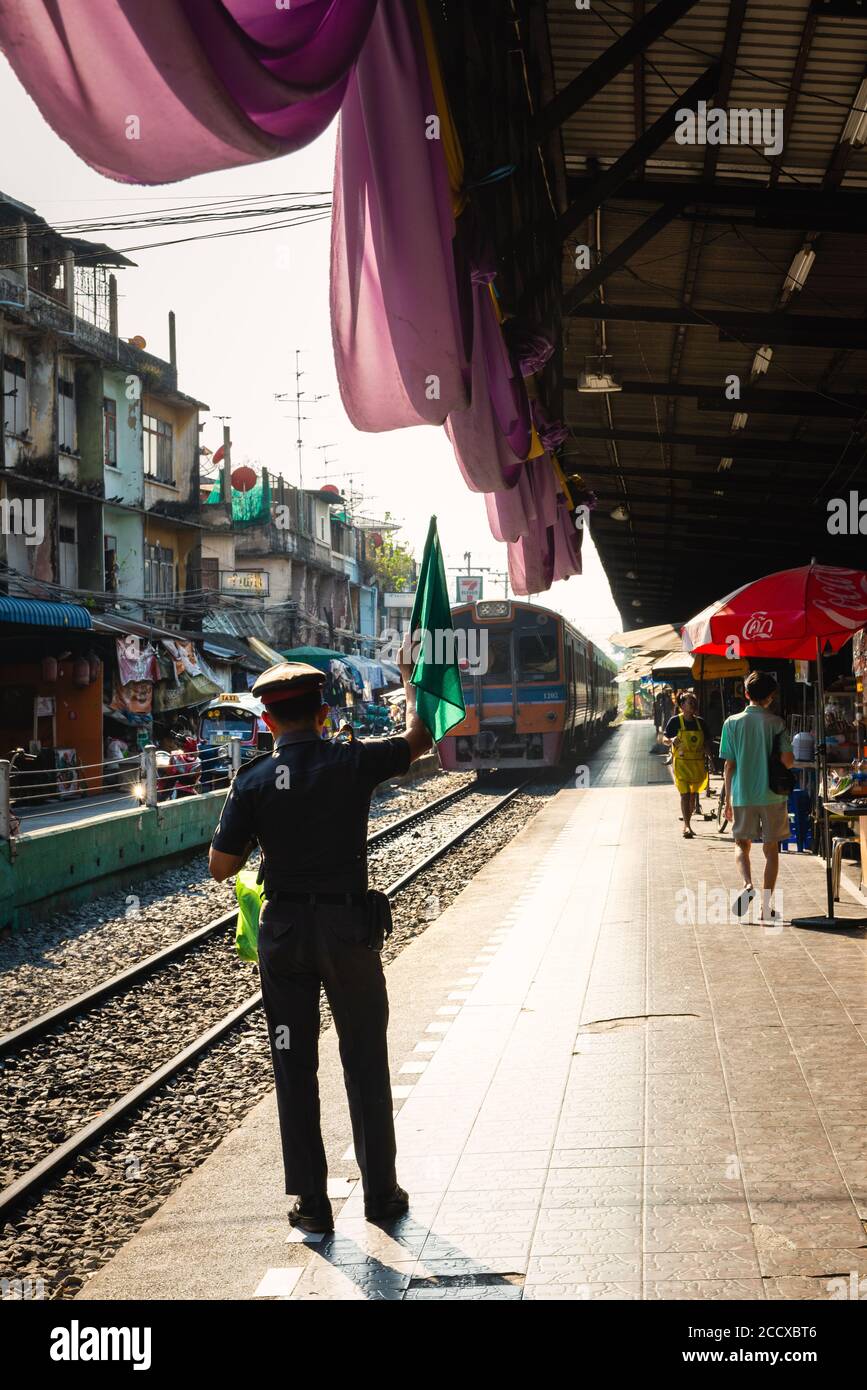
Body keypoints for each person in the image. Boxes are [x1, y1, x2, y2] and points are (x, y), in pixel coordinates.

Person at [208, 657, 432, 1234]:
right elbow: (419, 738)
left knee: (293, 1065)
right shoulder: (351, 760)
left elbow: (220, 867)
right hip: (348, 934)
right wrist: (411, 684)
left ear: (268, 717)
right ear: (324, 712)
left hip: (285, 940)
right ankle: (381, 1195)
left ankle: (312, 1204)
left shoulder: (253, 779)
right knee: (364, 1060)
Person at [720, 670, 794, 922]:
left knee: (742, 846)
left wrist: (727, 801)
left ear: (746, 694)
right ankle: (765, 907)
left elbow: (729, 765)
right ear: (771, 696)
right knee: (771, 850)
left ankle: (747, 884)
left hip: (742, 795)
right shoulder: (777, 724)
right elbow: (787, 761)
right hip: (773, 796)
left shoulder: (731, 723)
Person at [663, 690, 710, 837]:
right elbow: (663, 738)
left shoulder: (700, 722)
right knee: (684, 794)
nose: (693, 705)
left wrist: (712, 760)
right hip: (681, 765)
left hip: (696, 765)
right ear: (681, 705)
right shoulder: (675, 721)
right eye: (690, 702)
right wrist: (671, 740)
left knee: (692, 796)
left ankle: (687, 822)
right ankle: (687, 826)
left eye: (694, 702)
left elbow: (707, 744)